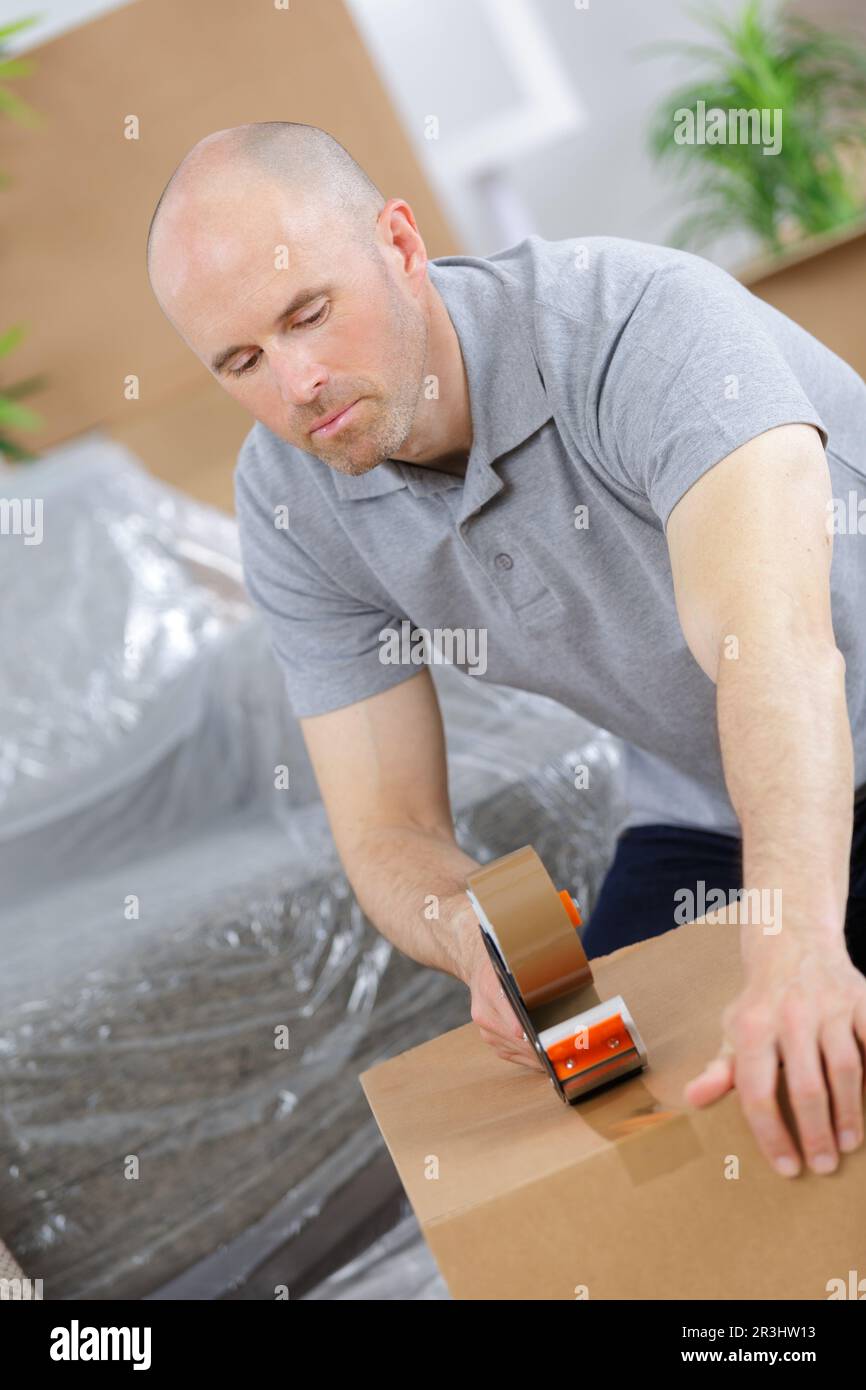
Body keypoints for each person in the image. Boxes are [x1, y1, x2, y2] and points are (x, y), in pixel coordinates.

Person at [147, 120, 866, 1183]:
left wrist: (794, 943)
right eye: (243, 360)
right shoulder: (289, 499)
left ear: (399, 244)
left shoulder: (636, 325)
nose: (295, 384)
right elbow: (387, 825)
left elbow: (773, 653)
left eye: (308, 313)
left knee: (811, 1037)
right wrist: (465, 925)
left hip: (806, 724)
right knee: (618, 1119)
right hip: (704, 804)